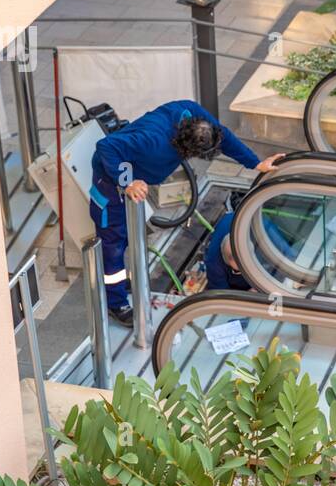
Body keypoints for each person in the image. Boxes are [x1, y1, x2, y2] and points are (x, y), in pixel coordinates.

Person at [88, 100, 279, 324]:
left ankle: (121, 283)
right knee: (113, 243)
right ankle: (115, 302)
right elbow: (106, 146)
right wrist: (127, 181)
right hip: (112, 185)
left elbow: (224, 135)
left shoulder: (193, 114)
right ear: (188, 150)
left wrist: (255, 163)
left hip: (134, 183)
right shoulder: (153, 140)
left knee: (129, 235)